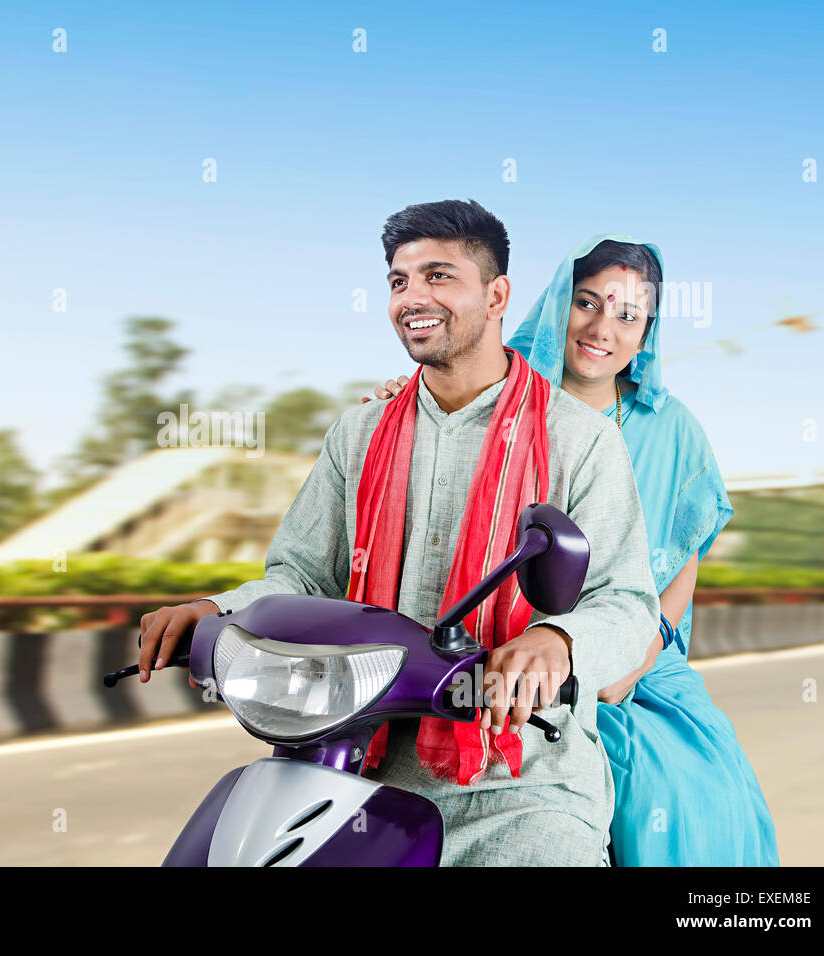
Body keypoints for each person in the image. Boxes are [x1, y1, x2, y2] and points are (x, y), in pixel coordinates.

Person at [136, 200, 660, 866]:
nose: (413, 297)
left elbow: (628, 603)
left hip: (518, 787)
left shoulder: (580, 440)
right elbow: (299, 577)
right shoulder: (358, 434)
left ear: (497, 295)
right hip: (355, 765)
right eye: (399, 281)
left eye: (439, 276)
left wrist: (554, 639)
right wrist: (218, 610)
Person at [369, 235, 780, 866]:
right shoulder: (499, 399)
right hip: (490, 647)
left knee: (681, 787)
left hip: (635, 652)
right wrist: (408, 415)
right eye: (586, 303)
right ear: (558, 307)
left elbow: (683, 555)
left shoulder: (672, 429)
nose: (600, 328)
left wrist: (630, 658)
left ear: (646, 336)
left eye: (627, 316)